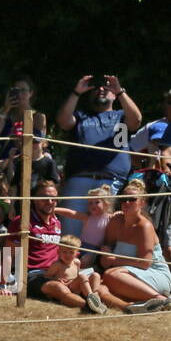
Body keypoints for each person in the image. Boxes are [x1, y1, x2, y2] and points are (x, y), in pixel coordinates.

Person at [56, 73, 142, 237]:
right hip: (79, 180)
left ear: (114, 95)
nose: (101, 89)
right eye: (96, 88)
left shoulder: (121, 117)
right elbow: (63, 121)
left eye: (106, 87)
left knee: (104, 233)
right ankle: (71, 262)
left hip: (111, 182)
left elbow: (136, 120)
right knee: (70, 233)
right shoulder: (81, 116)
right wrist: (76, 92)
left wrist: (120, 92)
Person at [97, 178, 171, 312]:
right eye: (124, 199)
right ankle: (129, 307)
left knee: (109, 275)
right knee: (100, 288)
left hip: (153, 273)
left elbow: (145, 263)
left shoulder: (145, 226)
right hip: (125, 274)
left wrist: (114, 260)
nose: (126, 202)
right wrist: (106, 255)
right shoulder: (115, 221)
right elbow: (106, 252)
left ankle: (161, 300)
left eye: (132, 199)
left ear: (142, 203)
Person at [39, 235, 106, 314]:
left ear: (77, 253)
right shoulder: (57, 264)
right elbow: (46, 276)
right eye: (64, 252)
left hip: (75, 285)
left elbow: (77, 275)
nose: (67, 255)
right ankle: (90, 298)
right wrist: (57, 280)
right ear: (58, 252)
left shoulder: (77, 262)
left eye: (71, 252)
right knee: (82, 276)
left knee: (96, 275)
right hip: (66, 287)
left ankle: (95, 298)